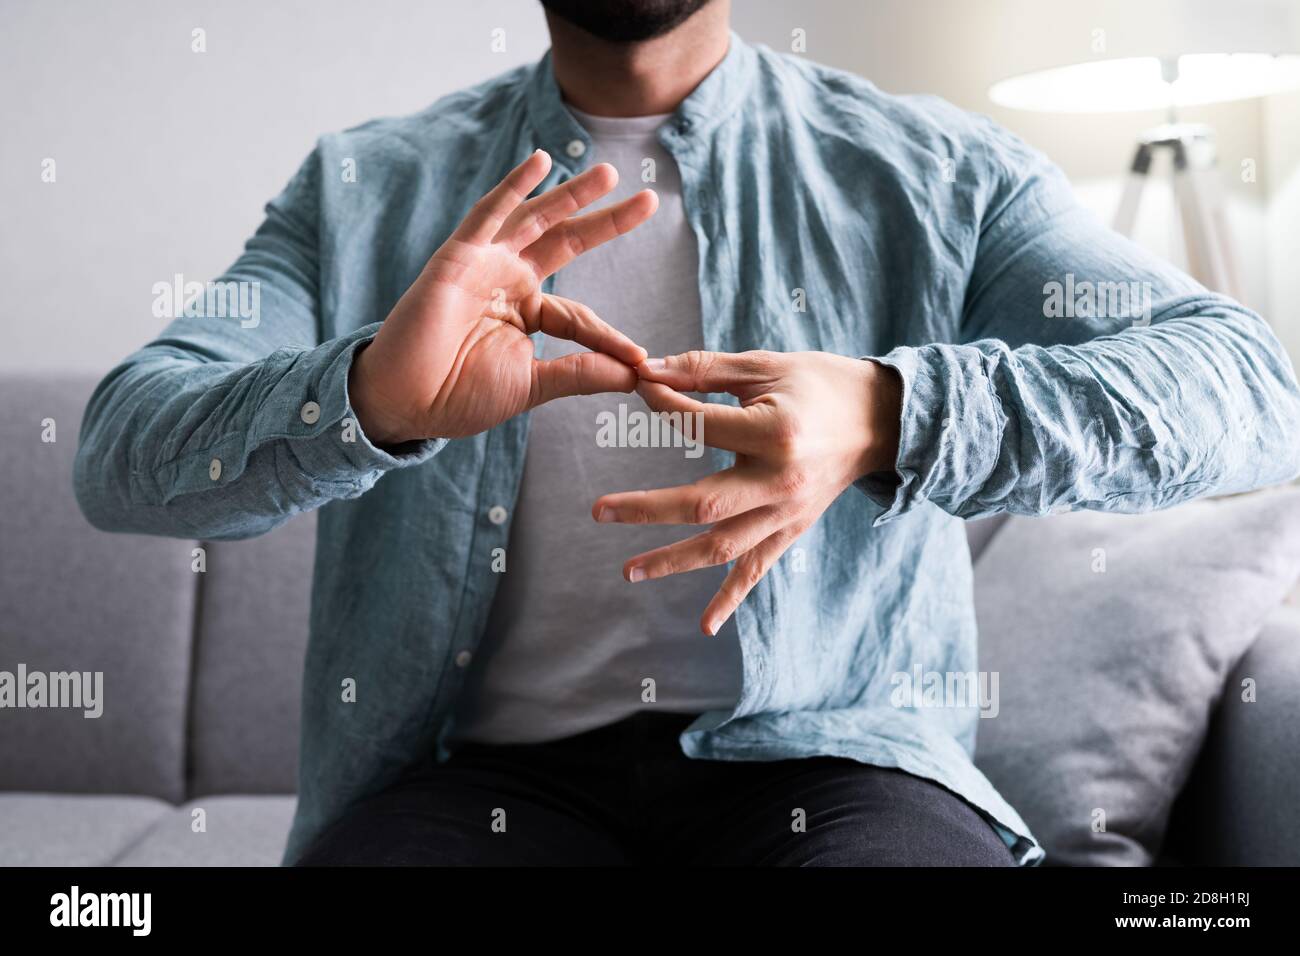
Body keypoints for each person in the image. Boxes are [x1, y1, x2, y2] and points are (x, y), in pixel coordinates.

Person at [74, 0, 1300, 866]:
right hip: (478, 780)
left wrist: (892, 409)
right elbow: (119, 453)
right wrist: (368, 399)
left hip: (836, 763)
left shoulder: (935, 169)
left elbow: (1251, 390)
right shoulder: (361, 186)